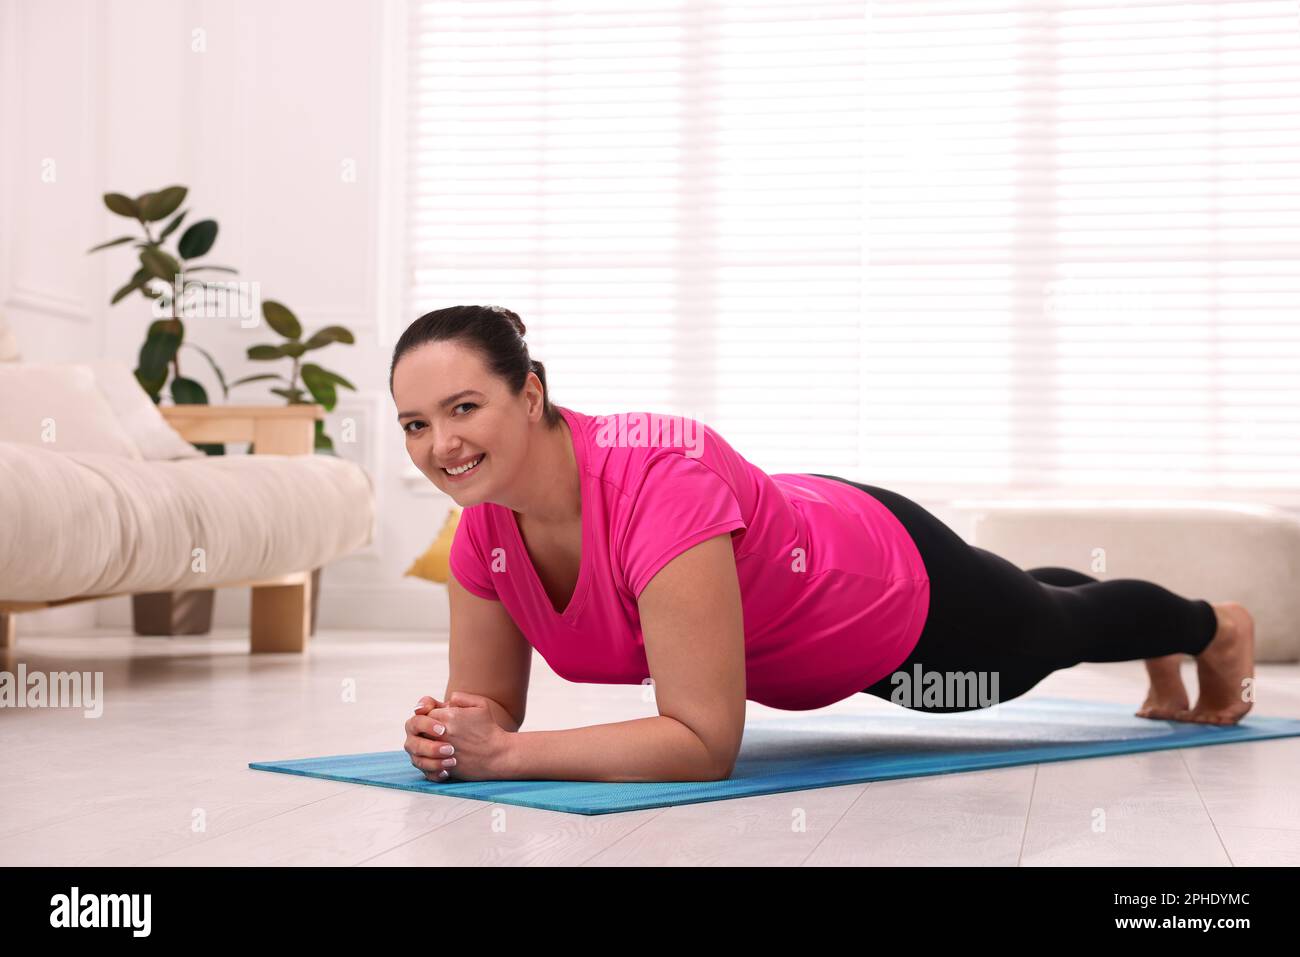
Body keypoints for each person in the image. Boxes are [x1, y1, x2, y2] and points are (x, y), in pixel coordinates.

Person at [390, 305, 1256, 784]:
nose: (442, 445)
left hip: (885, 594)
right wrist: (454, 734)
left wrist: (505, 757)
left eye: (465, 408)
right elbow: (488, 710)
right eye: (416, 425)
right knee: (1037, 602)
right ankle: (1066, 604)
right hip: (805, 538)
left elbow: (701, 744)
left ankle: (1214, 627)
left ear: (531, 393)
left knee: (1048, 634)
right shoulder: (483, 538)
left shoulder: (657, 482)